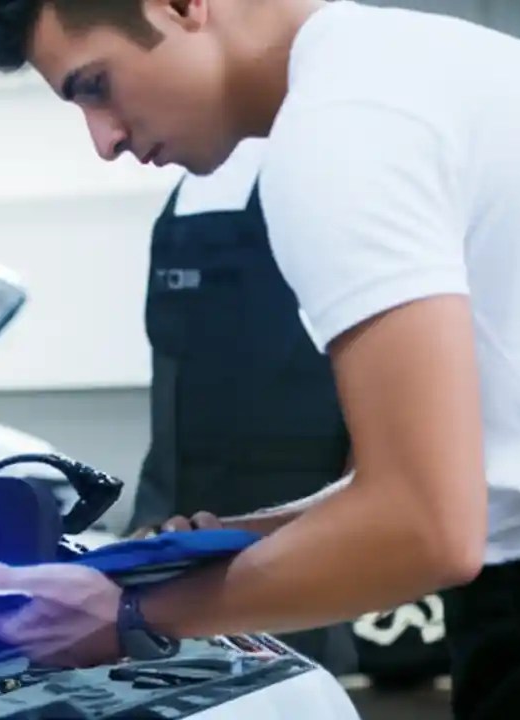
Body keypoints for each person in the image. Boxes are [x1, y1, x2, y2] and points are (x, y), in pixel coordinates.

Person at [0, 2, 520, 717]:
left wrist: (132, 618)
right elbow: (505, 465)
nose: (103, 140)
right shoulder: (449, 71)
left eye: (95, 85)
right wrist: (250, 538)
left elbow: (426, 527)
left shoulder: (337, 132)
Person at [127, 139, 360, 675]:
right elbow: (171, 388)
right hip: (176, 528)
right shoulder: (184, 198)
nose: (109, 141)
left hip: (294, 532)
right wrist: (148, 526)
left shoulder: (320, 187)